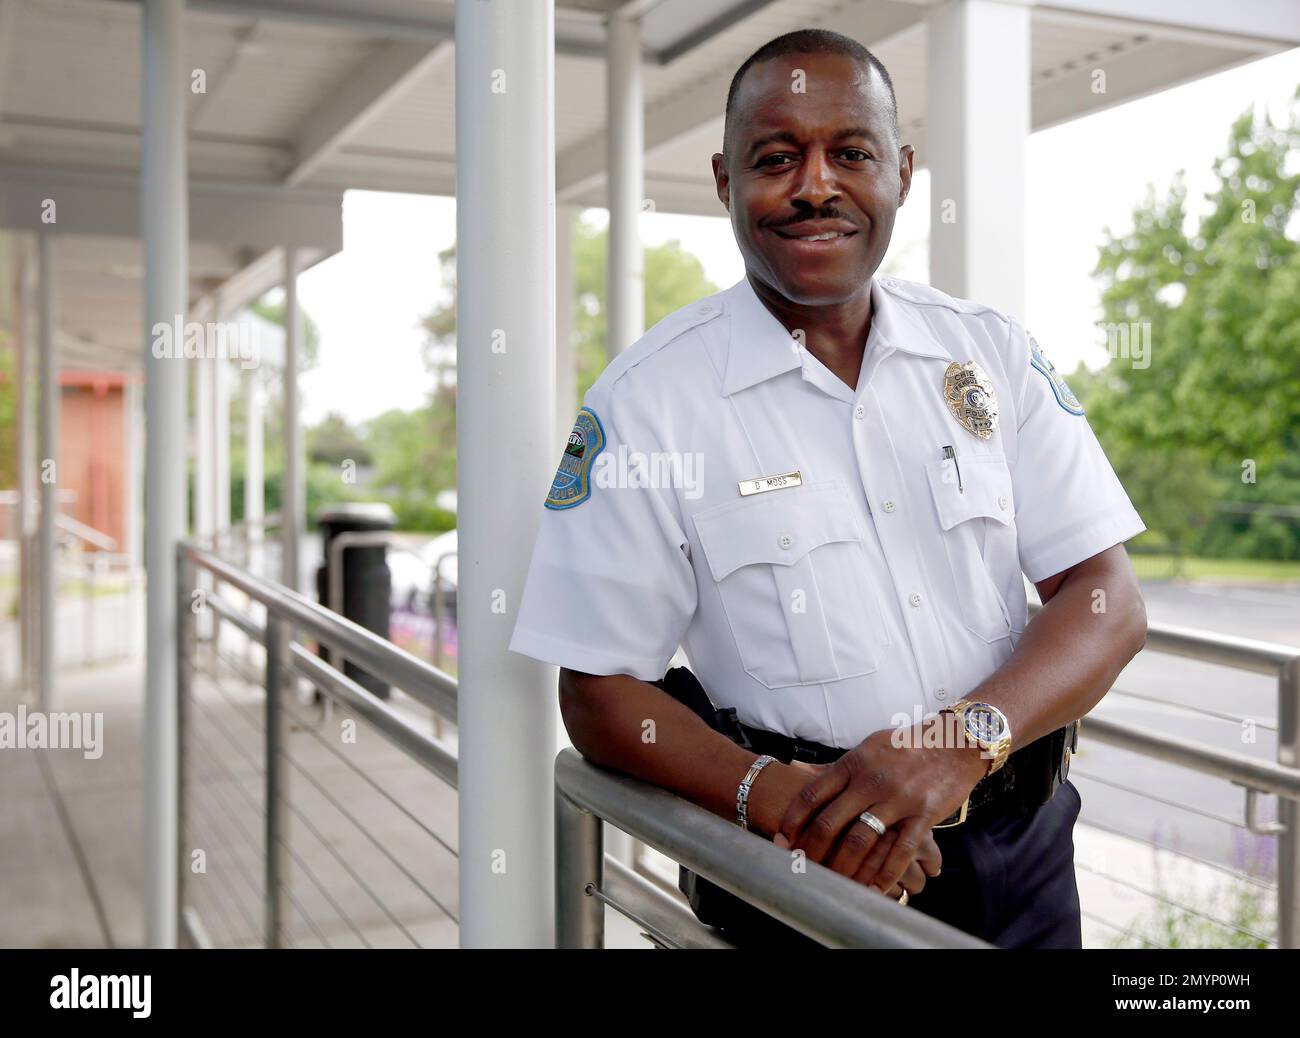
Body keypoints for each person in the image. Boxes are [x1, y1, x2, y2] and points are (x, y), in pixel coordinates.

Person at [509, 27, 1148, 949]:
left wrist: (959, 746)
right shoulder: (649, 404)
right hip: (796, 872)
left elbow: (1106, 597)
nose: (816, 186)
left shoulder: (988, 353)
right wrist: (782, 802)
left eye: (851, 153)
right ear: (726, 182)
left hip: (1025, 850)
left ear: (902, 173)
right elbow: (600, 687)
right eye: (777, 159)